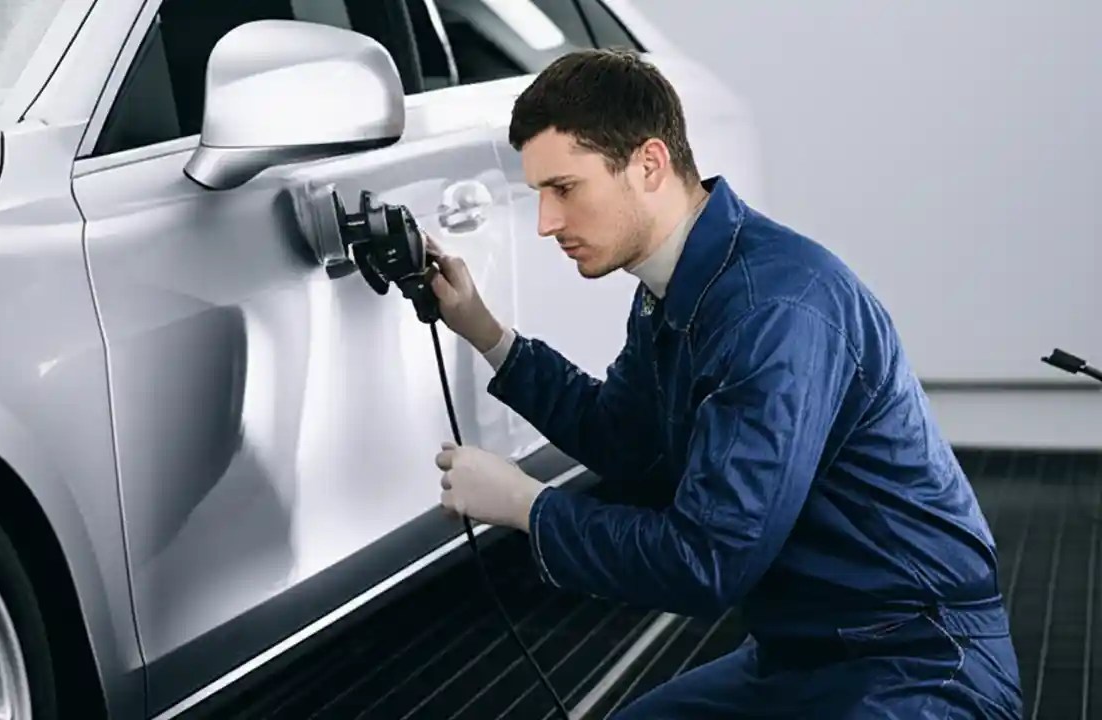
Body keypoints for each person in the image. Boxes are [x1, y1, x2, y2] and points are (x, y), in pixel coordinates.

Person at [428, 49, 1023, 718]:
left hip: (920, 661)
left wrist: (527, 507)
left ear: (648, 164)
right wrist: (485, 331)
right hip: (799, 653)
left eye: (564, 189)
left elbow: (707, 560)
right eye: (538, 194)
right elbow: (624, 441)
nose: (546, 223)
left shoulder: (773, 310)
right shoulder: (678, 286)